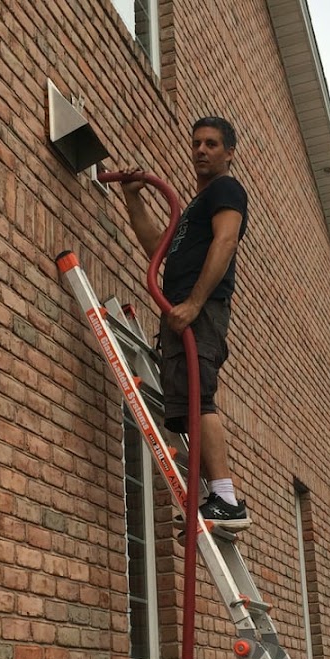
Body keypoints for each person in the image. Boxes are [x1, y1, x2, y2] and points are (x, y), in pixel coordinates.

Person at [119, 116, 250, 530]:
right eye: (196, 143)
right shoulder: (192, 210)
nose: (201, 150)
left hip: (199, 311)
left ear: (229, 153)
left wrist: (194, 303)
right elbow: (158, 248)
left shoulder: (226, 190)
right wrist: (133, 198)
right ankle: (216, 496)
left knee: (199, 397)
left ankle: (226, 499)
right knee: (187, 403)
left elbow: (226, 241)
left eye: (212, 144)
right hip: (179, 314)